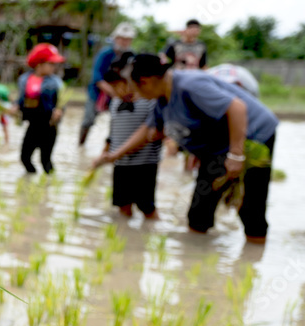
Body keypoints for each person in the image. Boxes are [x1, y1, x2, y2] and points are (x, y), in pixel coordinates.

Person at [99, 54, 278, 244]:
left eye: (134, 87)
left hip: (253, 137)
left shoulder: (190, 84)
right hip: (216, 148)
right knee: (199, 212)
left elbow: (237, 108)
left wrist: (236, 155)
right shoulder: (161, 98)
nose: (135, 93)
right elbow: (148, 130)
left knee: (251, 207)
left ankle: (253, 255)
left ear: (145, 81)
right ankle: (195, 258)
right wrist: (114, 155)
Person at [93, 54, 161, 218]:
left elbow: (154, 131)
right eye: (113, 87)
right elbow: (113, 131)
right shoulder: (116, 103)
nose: (116, 91)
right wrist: (105, 152)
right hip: (121, 163)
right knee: (122, 203)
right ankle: (124, 232)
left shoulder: (149, 102)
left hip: (145, 163)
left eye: (119, 86)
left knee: (146, 205)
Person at [12, 43, 65, 174]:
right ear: (39, 64)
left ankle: (49, 186)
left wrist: (59, 112)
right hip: (33, 126)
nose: (54, 67)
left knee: (45, 161)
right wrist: (15, 107)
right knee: (25, 158)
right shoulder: (24, 80)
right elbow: (20, 100)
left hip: (49, 127)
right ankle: (31, 183)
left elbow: (61, 104)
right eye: (51, 63)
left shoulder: (56, 83)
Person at [79, 22, 135, 146]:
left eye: (127, 39)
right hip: (98, 92)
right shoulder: (105, 54)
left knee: (116, 123)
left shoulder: (131, 56)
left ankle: (111, 149)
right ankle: (80, 145)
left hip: (120, 94)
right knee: (88, 120)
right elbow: (97, 77)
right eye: (122, 39)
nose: (124, 42)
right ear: (116, 38)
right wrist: (113, 92)